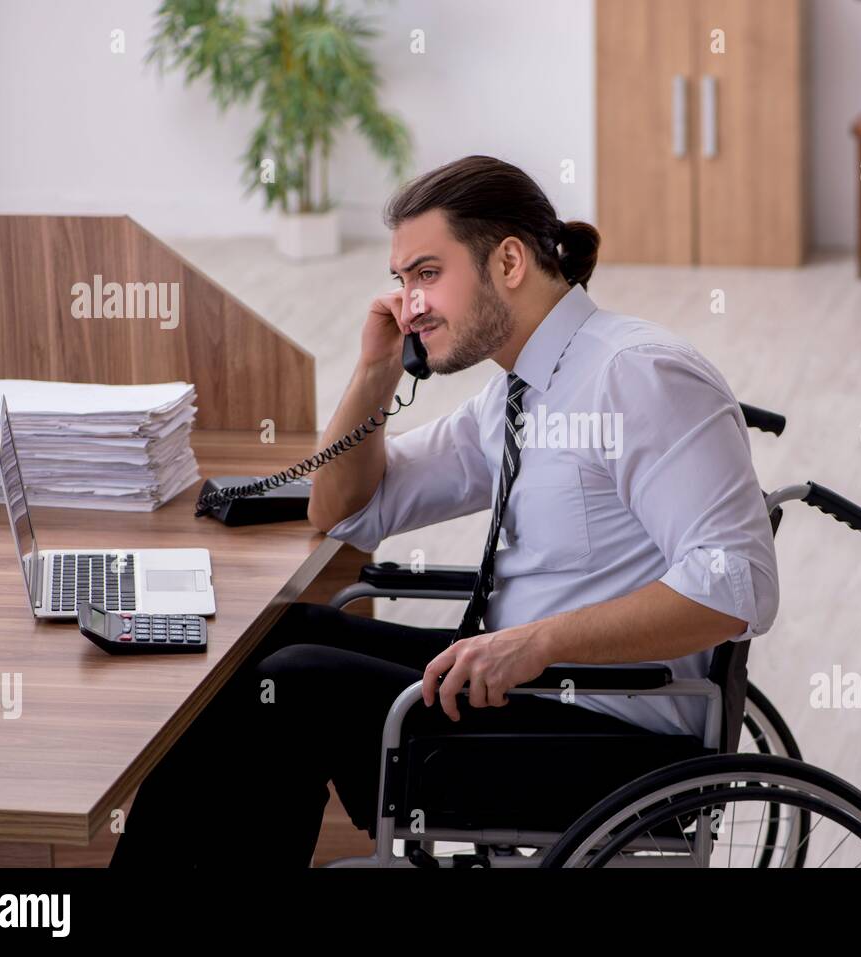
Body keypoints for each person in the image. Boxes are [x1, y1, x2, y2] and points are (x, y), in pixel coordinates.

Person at [110, 155, 779, 867]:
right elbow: (344, 509)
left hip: (610, 737)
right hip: (530, 689)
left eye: (428, 274)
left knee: (298, 685)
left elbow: (736, 585)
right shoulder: (519, 391)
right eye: (401, 281)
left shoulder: (635, 376)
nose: (410, 303)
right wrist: (375, 371)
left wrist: (538, 642)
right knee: (274, 631)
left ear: (510, 262)